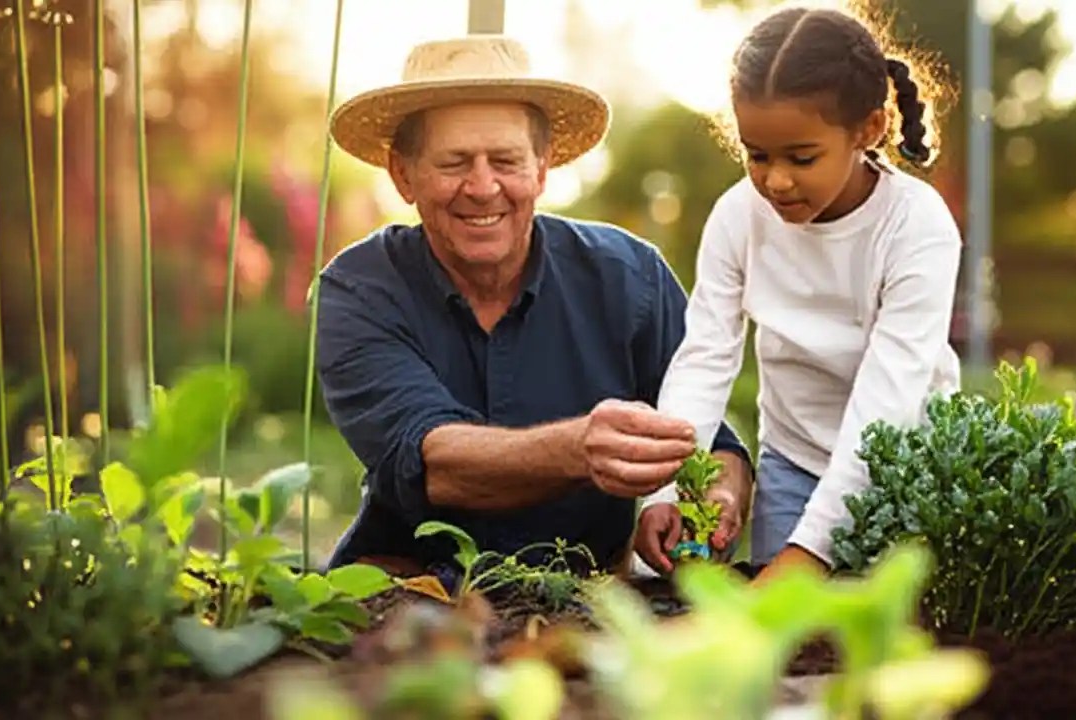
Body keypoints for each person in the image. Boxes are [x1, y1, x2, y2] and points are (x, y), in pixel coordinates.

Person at [315, 34, 753, 585]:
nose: (482, 187)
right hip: (404, 594)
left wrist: (713, 498)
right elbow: (433, 464)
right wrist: (579, 449)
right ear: (404, 175)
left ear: (542, 170)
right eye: (454, 163)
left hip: (588, 600)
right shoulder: (360, 290)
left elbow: (715, 442)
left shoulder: (630, 278)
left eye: (506, 160)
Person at [633, 5, 963, 581]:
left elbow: (887, 405)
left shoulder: (916, 226)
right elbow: (705, 357)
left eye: (802, 157)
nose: (775, 180)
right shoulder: (739, 215)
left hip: (905, 466)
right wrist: (665, 489)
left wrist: (808, 551)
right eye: (756, 155)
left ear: (869, 129)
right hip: (792, 463)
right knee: (787, 643)